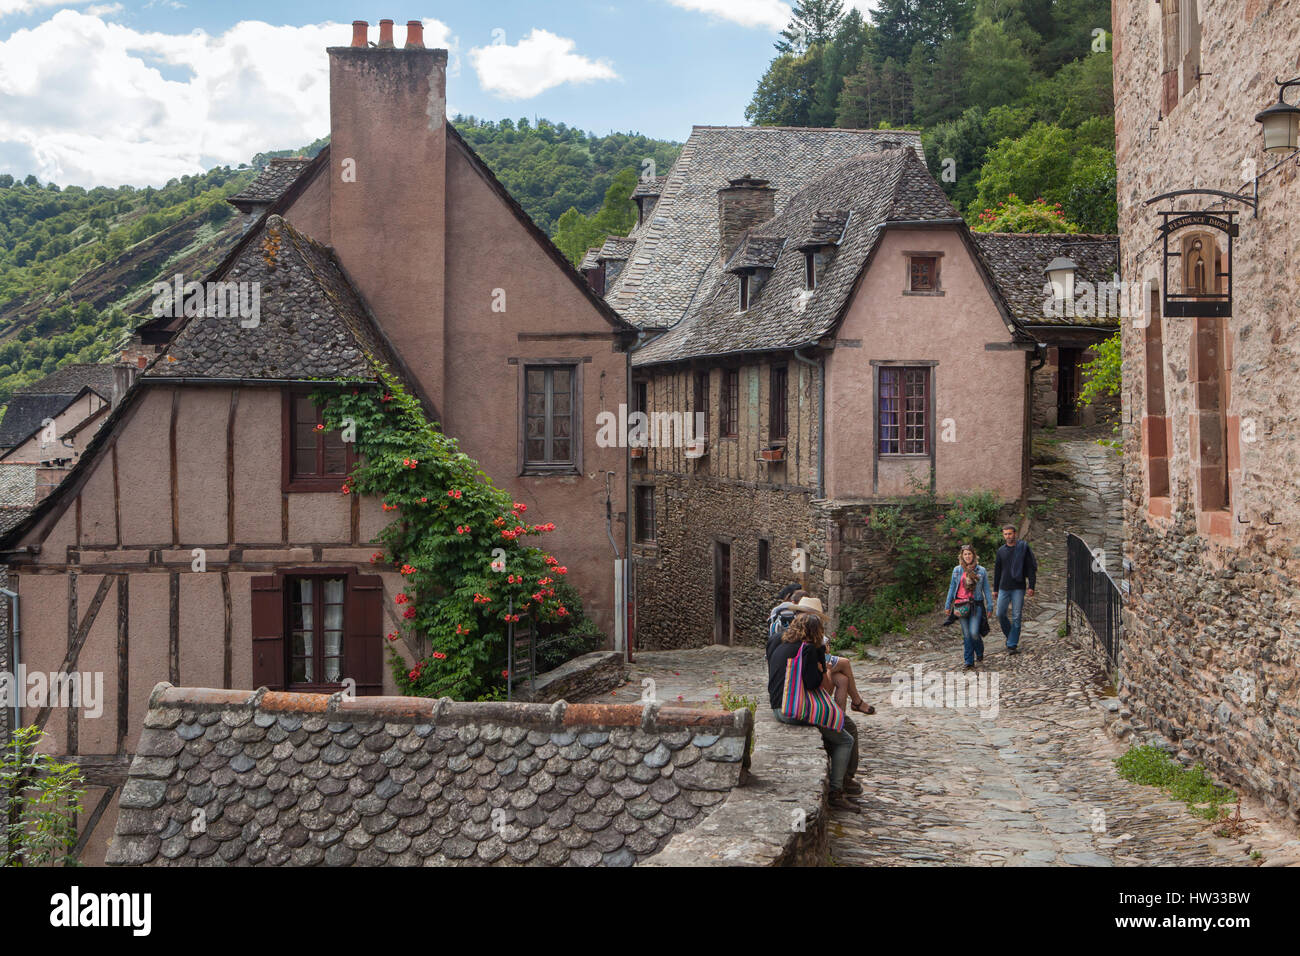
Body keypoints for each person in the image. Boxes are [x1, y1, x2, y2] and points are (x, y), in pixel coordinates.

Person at [768, 612, 861, 810]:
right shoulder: (808, 649)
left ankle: (843, 777)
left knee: (845, 724)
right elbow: (815, 684)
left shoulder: (780, 643)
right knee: (846, 739)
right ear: (816, 632)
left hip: (778, 706)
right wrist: (823, 667)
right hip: (793, 709)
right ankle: (837, 790)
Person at [788, 596, 875, 714]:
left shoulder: (797, 626)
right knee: (845, 663)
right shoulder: (806, 628)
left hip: (813, 662)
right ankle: (856, 702)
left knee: (843, 680)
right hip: (810, 666)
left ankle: (841, 718)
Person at [943, 544, 993, 669]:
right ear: (962, 556)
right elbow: (952, 588)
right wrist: (948, 604)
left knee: (974, 632)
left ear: (973, 555)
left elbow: (986, 589)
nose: (967, 556)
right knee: (966, 634)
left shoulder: (981, 570)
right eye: (965, 554)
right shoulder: (957, 570)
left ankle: (980, 651)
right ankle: (969, 661)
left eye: (969, 554)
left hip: (976, 604)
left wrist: (990, 605)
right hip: (961, 605)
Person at [992, 524, 1037, 655]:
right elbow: (997, 570)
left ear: (1015, 534)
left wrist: (1031, 586)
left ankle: (1012, 644)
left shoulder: (1023, 548)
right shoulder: (1001, 551)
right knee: (1000, 614)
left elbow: (1030, 567)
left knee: (1017, 616)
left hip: (1018, 587)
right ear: (1003, 535)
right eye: (1005, 534)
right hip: (1004, 587)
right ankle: (1011, 636)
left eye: (1010, 534)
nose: (1008, 536)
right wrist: (995, 589)